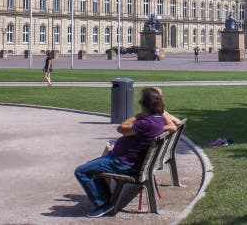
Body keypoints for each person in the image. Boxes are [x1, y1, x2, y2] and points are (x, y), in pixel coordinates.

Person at [74, 87, 178, 218]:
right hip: (127, 160)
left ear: (145, 105)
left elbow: (121, 128)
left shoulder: (146, 122)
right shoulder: (157, 118)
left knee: (81, 171)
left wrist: (138, 115)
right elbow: (173, 126)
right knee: (91, 166)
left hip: (122, 163)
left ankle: (104, 204)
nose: (139, 103)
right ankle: (106, 199)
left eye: (140, 101)